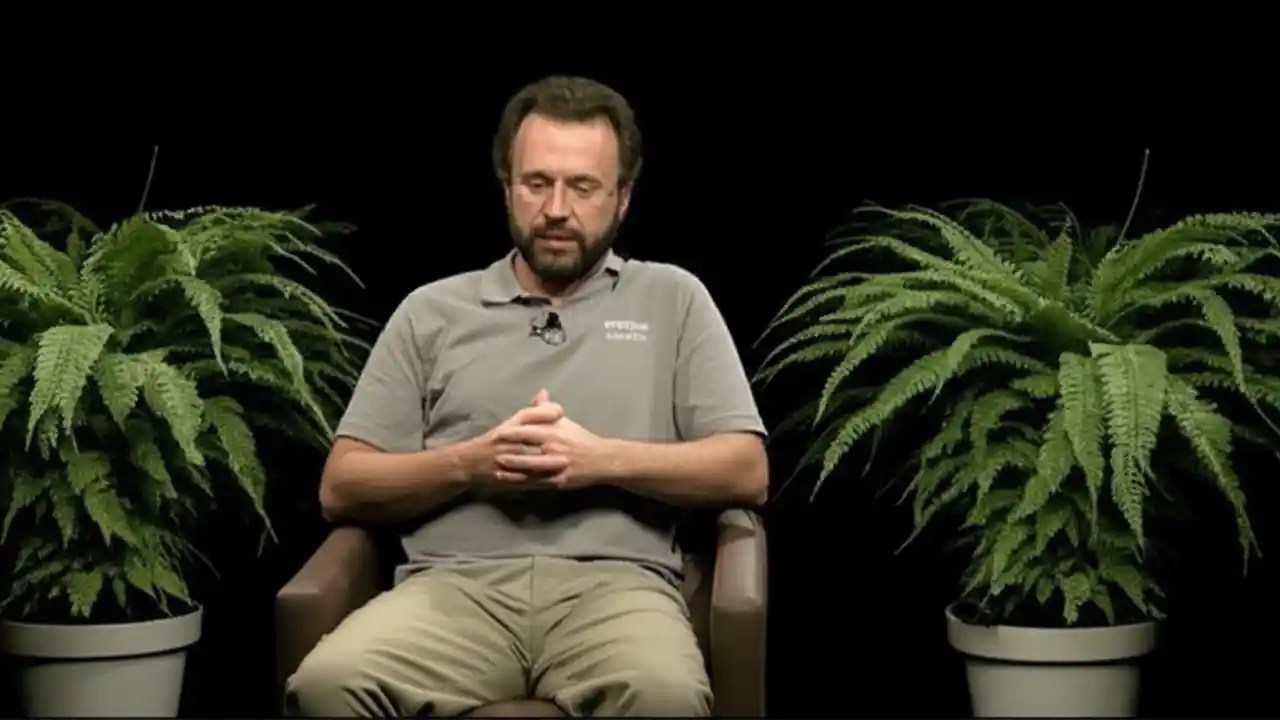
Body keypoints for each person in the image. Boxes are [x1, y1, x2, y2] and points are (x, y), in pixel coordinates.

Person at [283, 74, 769, 718]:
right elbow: (340, 486)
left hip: (617, 589)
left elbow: (747, 469)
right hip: (454, 588)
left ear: (622, 199)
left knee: (666, 696)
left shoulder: (673, 299)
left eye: (583, 186)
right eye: (537, 183)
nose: (557, 208)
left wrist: (598, 460)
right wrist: (470, 463)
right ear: (508, 189)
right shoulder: (432, 312)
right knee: (325, 684)